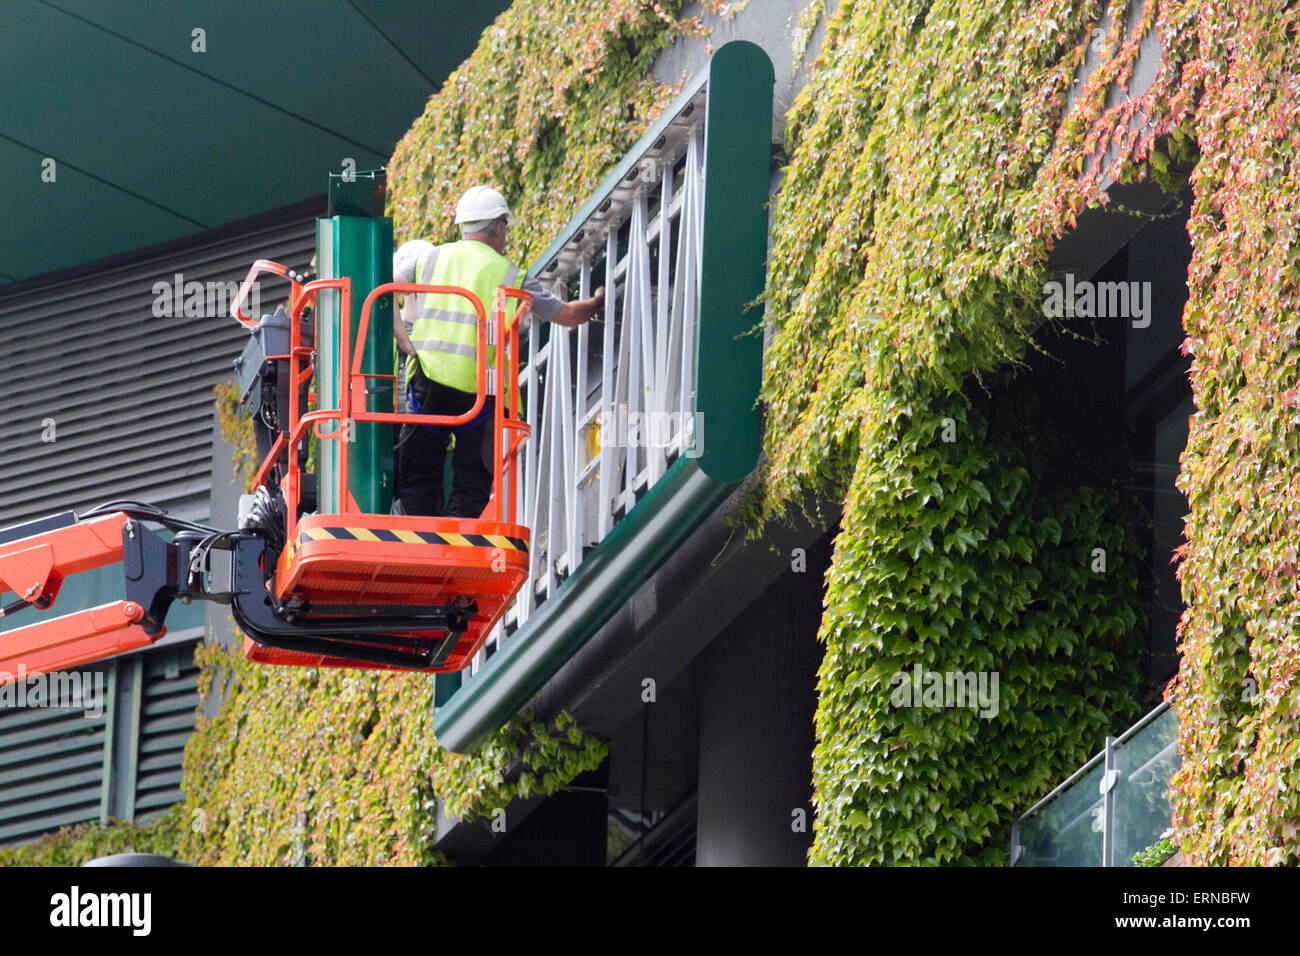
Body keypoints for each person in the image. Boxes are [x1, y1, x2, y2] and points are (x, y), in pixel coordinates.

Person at [395, 185, 605, 518]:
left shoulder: (429, 257)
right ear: (497, 227)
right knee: (472, 481)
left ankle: (420, 541)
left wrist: (404, 340)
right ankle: (454, 548)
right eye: (505, 227)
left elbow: (384, 284)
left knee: (419, 475)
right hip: (478, 392)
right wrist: (595, 303)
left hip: (428, 383)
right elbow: (566, 315)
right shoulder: (510, 275)